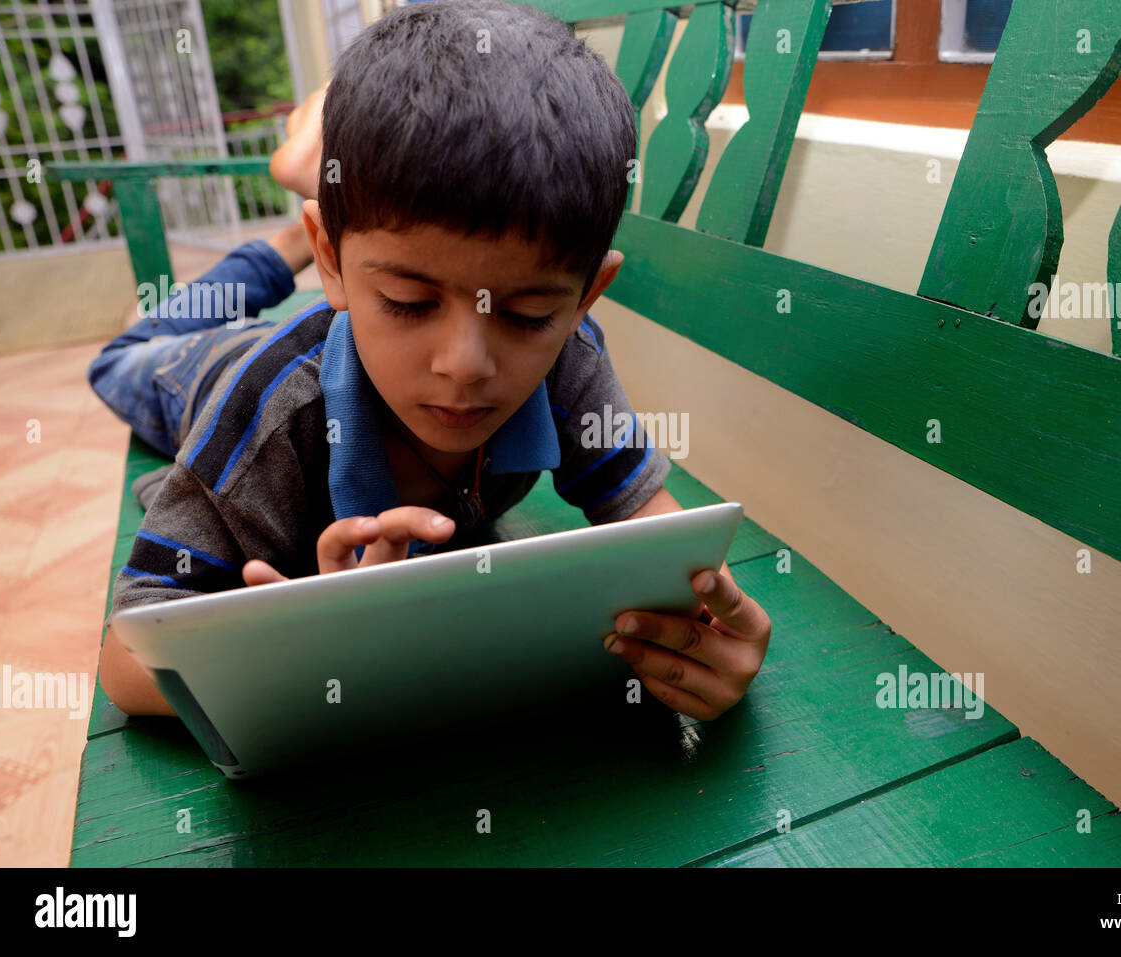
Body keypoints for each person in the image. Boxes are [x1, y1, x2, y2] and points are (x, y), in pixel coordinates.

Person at [93, 0, 771, 721]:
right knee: (125, 353)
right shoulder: (265, 409)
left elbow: (667, 548)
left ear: (584, 299)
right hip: (199, 364)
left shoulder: (569, 363)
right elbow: (126, 660)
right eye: (410, 301)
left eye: (526, 315)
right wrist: (303, 659)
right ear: (334, 257)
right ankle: (285, 241)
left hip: (328, 305)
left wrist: (710, 638)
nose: (465, 364)